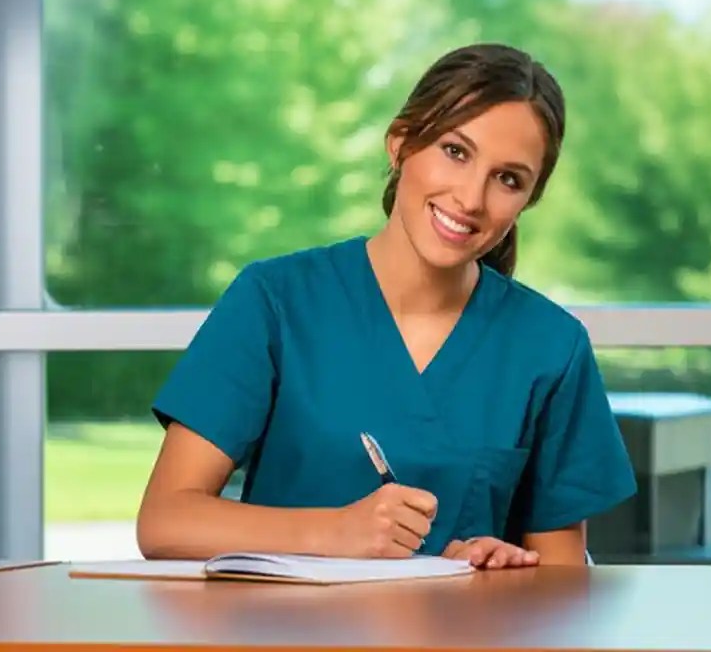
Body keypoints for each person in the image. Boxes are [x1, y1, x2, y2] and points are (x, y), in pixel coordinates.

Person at [135, 42, 636, 568]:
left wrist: (504, 571)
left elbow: (563, 580)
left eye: (508, 179)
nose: (471, 198)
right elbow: (166, 522)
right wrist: (339, 532)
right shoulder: (274, 302)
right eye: (455, 151)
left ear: (527, 201)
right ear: (400, 144)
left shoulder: (551, 346)